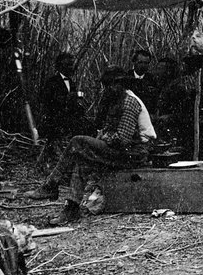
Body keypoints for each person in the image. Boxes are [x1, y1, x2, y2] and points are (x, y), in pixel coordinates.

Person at [28, 67, 154, 223]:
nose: (107, 89)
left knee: (77, 141)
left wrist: (103, 136)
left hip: (134, 154)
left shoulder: (129, 103)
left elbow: (122, 140)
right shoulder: (119, 100)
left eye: (109, 86)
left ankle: (51, 184)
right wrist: (103, 135)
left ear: (120, 84)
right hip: (123, 151)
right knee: (81, 158)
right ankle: (71, 208)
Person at [35, 52, 85, 171]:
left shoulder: (71, 82)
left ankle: (45, 164)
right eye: (68, 65)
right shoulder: (52, 81)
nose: (71, 68)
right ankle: (58, 167)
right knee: (54, 142)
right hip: (53, 119)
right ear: (60, 66)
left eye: (72, 65)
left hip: (65, 119)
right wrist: (71, 98)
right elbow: (48, 101)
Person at [128, 48, 161, 117]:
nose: (143, 65)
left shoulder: (153, 80)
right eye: (140, 62)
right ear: (134, 62)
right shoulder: (126, 77)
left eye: (146, 63)